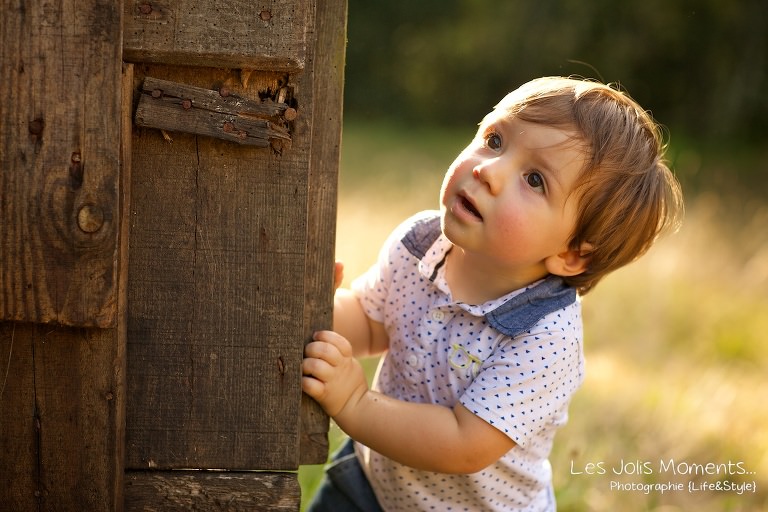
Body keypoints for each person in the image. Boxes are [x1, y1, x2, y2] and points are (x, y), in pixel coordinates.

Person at [302, 76, 684, 511]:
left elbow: (464, 445)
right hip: (371, 486)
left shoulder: (545, 337)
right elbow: (371, 323)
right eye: (495, 139)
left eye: (535, 180)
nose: (489, 170)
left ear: (572, 255)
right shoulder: (422, 243)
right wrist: (315, 305)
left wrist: (354, 402)